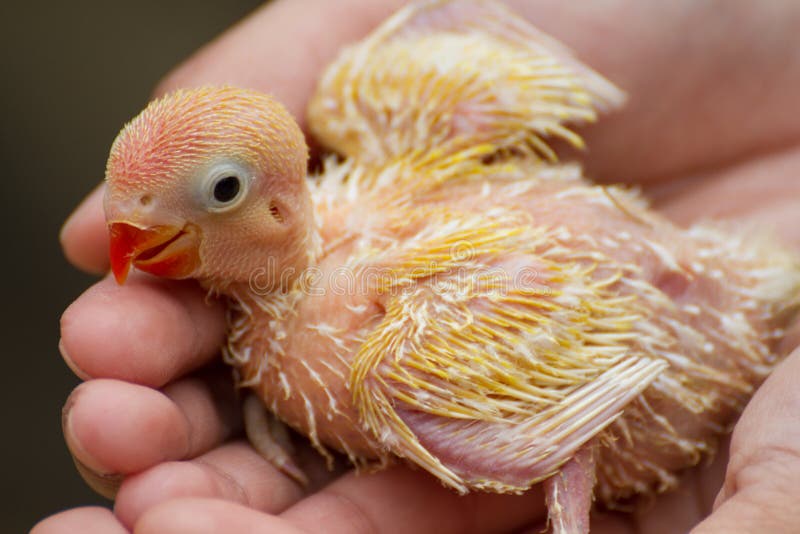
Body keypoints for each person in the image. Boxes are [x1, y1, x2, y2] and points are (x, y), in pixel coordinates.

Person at [33, 1, 800, 532]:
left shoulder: (397, 347)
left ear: (275, 209)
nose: (133, 245)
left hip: (685, 325)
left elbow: (585, 418)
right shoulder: (358, 148)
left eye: (219, 194)